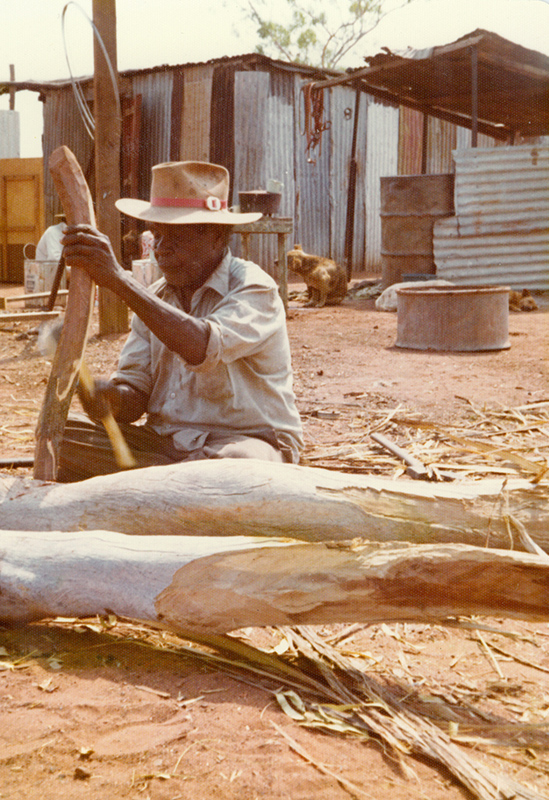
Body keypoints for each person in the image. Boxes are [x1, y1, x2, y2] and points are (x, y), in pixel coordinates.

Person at [58, 160, 303, 482]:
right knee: (60, 433)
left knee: (237, 467)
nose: (161, 250)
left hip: (243, 441)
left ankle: (158, 485)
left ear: (217, 237)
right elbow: (134, 398)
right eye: (157, 236)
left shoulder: (254, 287)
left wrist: (118, 279)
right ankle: (171, 485)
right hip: (165, 444)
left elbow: (201, 346)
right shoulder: (155, 298)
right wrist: (105, 397)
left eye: (175, 238)